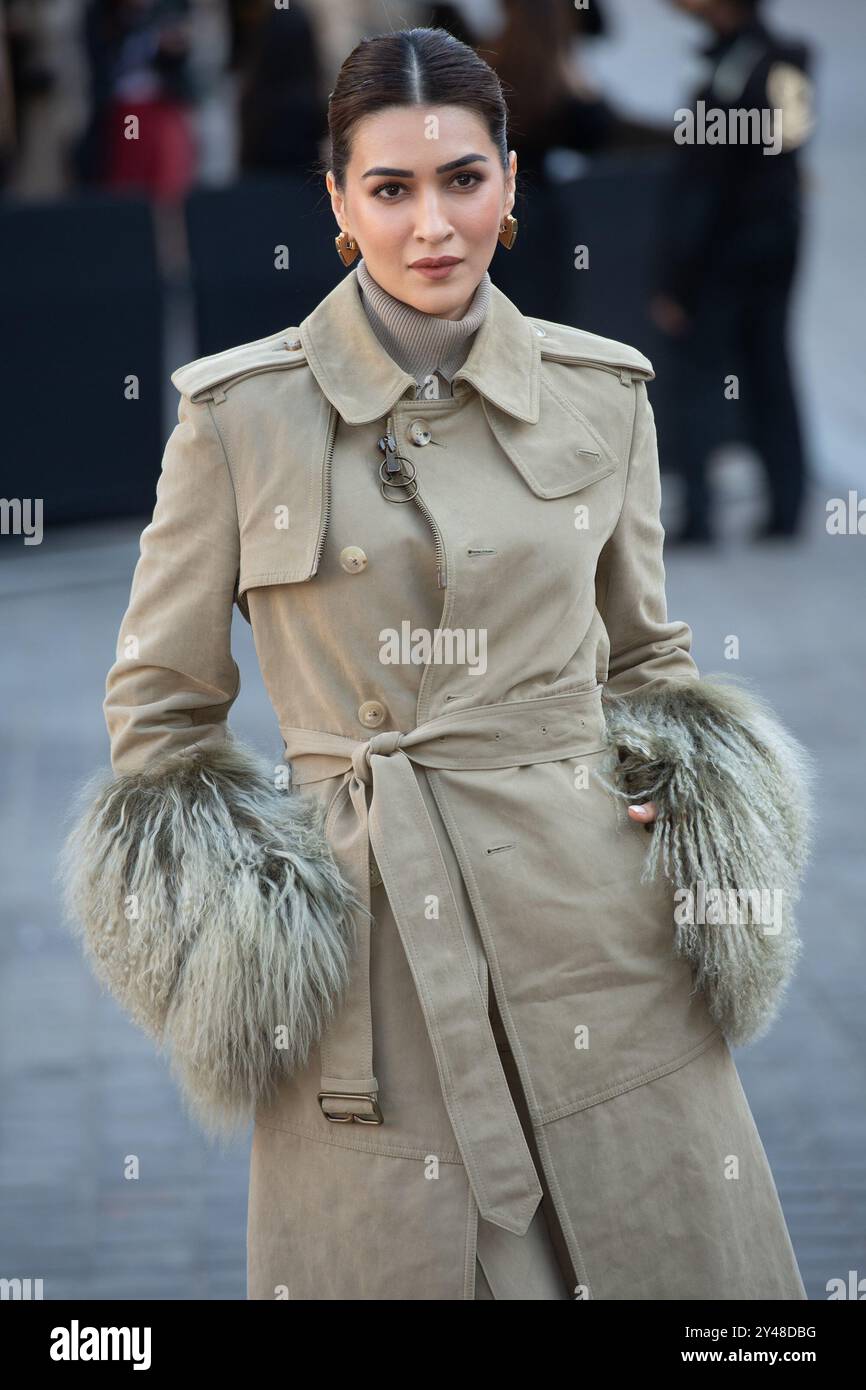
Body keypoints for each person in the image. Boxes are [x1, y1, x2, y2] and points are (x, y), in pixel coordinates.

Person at [59, 26, 814, 1300]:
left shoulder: (599, 393)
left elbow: (649, 658)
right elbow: (163, 716)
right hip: (364, 969)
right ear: (339, 204)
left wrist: (666, 809)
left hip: (596, 942)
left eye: (462, 179)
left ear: (511, 185)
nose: (432, 224)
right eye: (391, 188)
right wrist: (264, 923)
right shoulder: (239, 418)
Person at [651, 0, 815, 544]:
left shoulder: (771, 63)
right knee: (762, 367)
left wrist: (677, 277)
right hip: (765, 242)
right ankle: (767, 507)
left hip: (732, 252)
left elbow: (710, 182)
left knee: (718, 372)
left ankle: (716, 513)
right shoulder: (754, 62)